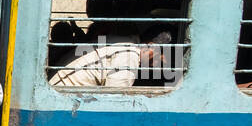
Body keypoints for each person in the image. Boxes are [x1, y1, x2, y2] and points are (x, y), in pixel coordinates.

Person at [49, 22, 177, 88]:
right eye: (159, 60)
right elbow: (115, 101)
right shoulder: (129, 56)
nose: (157, 66)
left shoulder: (125, 43)